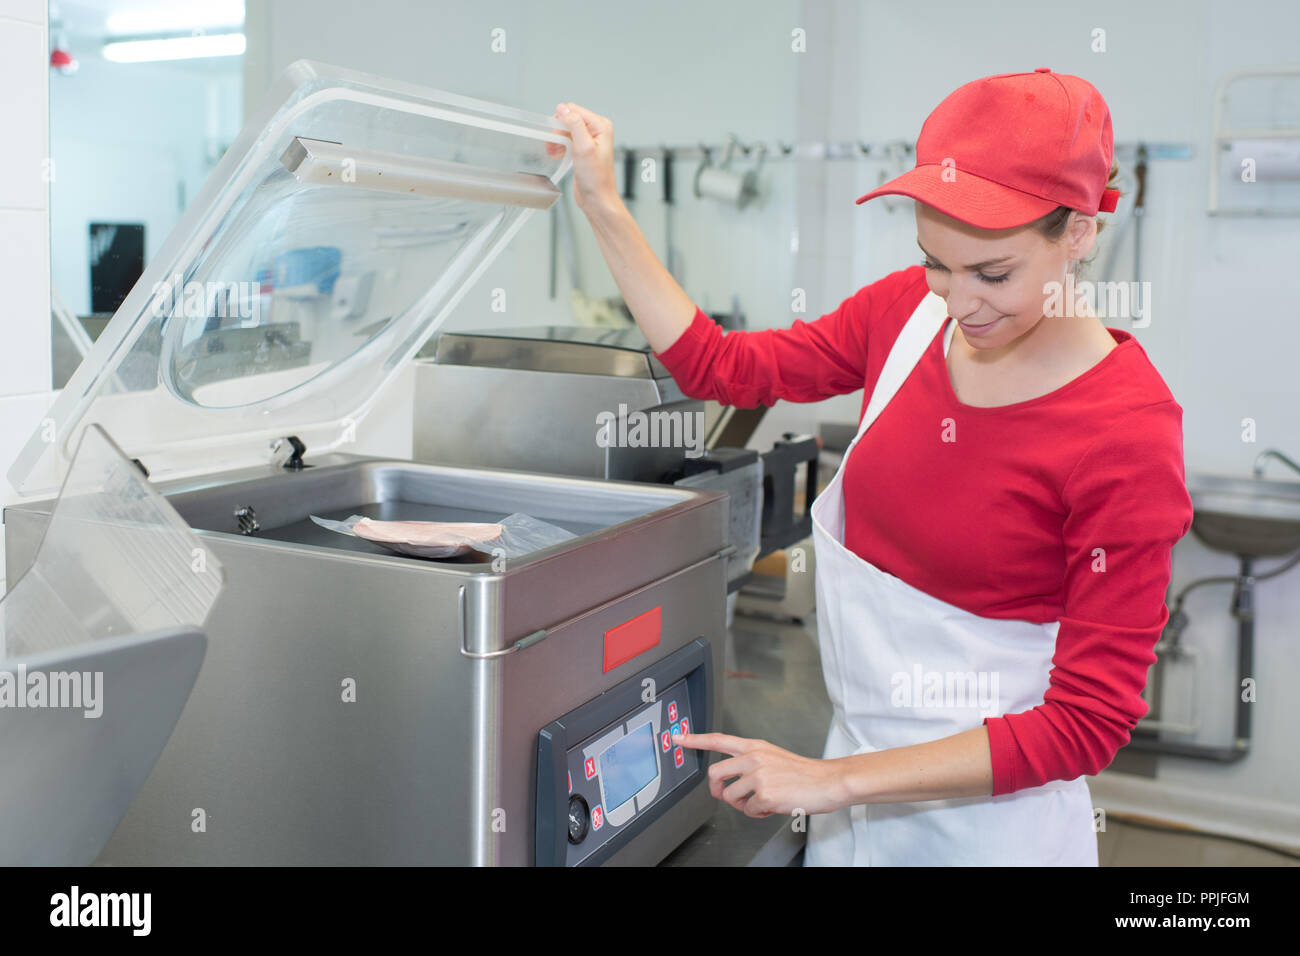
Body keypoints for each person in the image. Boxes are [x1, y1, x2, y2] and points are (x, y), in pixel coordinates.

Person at [550, 67, 1193, 866]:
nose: (958, 303)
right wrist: (603, 207)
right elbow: (726, 369)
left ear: (1080, 233)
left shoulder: (1124, 432)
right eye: (936, 262)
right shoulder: (906, 316)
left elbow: (1088, 722)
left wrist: (838, 781)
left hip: (991, 833)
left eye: (994, 274)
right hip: (846, 815)